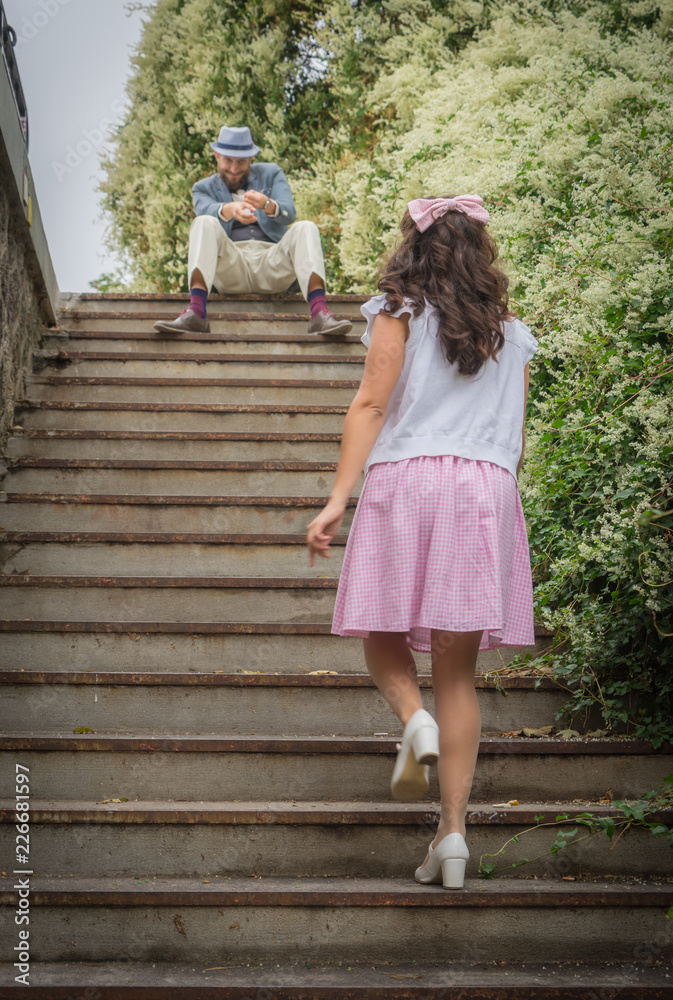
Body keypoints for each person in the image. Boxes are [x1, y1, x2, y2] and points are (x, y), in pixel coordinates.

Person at [306, 195, 537, 890]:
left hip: (407, 480)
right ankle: (454, 833)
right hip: (485, 490)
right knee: (459, 671)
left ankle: (414, 720)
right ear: (481, 258)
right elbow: (515, 443)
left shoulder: (396, 314)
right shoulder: (514, 336)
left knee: (381, 630)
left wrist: (336, 497)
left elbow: (370, 406)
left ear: (415, 249)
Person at [154, 125, 352, 337]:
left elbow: (289, 213)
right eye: (227, 160)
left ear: (251, 158)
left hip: (272, 263)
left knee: (306, 227)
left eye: (240, 161)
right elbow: (205, 209)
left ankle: (319, 314)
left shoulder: (271, 172)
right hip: (231, 266)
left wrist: (267, 204)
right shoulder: (202, 188)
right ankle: (196, 313)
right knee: (203, 221)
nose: (233, 168)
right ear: (216, 155)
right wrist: (228, 210)